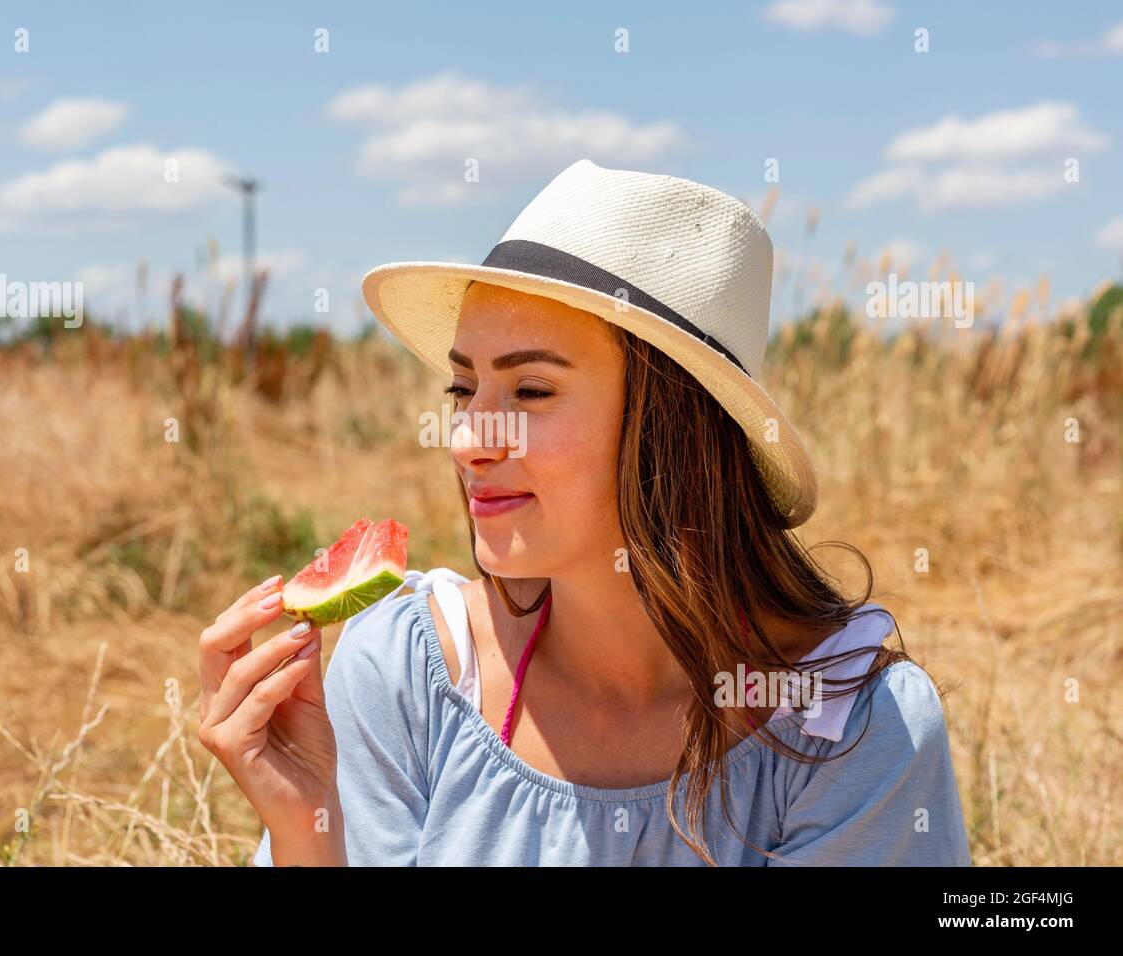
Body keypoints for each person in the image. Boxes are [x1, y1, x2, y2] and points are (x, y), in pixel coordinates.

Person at [198, 159, 971, 866]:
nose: (468, 439)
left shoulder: (848, 729)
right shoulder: (406, 674)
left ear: (676, 429)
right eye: (462, 390)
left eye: (531, 391)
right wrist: (307, 835)